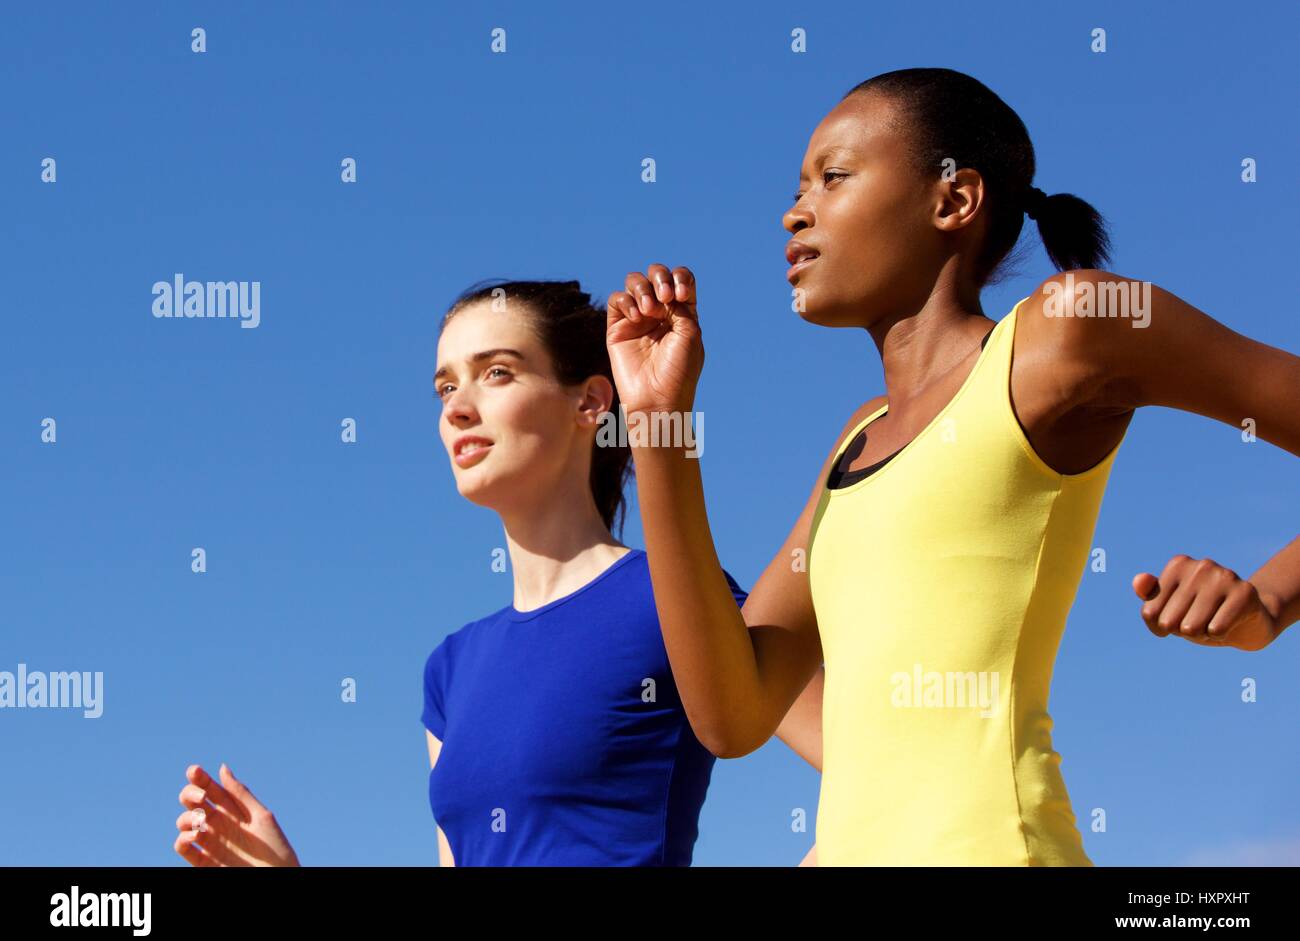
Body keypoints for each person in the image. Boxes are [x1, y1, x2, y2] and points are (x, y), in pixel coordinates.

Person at [604, 67, 1300, 866]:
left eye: (833, 178)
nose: (795, 211)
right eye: (799, 187)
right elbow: (733, 714)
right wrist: (658, 424)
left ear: (952, 201)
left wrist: (1269, 607)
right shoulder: (856, 442)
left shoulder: (1064, 332)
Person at [173, 279, 748, 866]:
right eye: (445, 386)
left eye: (496, 372)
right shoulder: (451, 668)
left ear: (590, 402)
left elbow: (848, 767)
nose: (456, 406)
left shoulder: (665, 595)